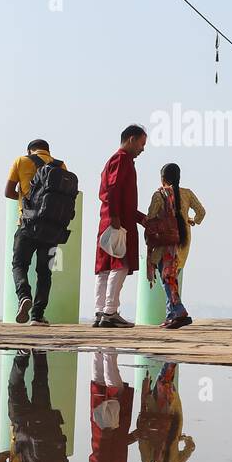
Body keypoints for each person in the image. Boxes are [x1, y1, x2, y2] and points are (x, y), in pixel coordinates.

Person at [4, 138, 66, 325]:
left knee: (19, 264)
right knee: (45, 272)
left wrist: (24, 198)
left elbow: (8, 192)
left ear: (30, 150)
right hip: (52, 228)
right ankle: (38, 315)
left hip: (28, 224)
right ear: (48, 151)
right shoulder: (60, 165)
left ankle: (24, 297)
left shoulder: (21, 161)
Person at [0, 351, 69, 462]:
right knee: (15, 386)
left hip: (44, 423)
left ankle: (40, 353)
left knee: (41, 382)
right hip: (21, 426)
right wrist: (13, 455)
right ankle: (22, 355)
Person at [94, 124, 148, 328]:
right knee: (120, 265)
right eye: (142, 143)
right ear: (132, 139)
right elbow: (113, 189)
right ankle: (110, 311)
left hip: (109, 221)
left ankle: (100, 311)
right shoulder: (122, 159)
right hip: (117, 223)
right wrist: (116, 216)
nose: (142, 149)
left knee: (105, 268)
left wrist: (141, 219)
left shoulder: (116, 160)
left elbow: (121, 197)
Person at [145, 163, 206, 330]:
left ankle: (179, 311)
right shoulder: (187, 193)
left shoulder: (160, 195)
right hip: (183, 242)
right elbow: (201, 211)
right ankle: (171, 315)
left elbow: (150, 217)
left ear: (162, 178)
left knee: (167, 278)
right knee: (172, 278)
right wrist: (193, 221)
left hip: (166, 242)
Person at [89, 349, 138, 462]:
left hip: (108, 429)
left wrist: (108, 435)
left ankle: (109, 351)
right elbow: (113, 455)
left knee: (114, 391)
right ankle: (99, 349)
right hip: (101, 430)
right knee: (99, 388)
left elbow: (102, 460)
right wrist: (133, 437)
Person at [136, 361, 195, 462]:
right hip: (155, 413)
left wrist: (183, 438)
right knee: (163, 380)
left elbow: (191, 447)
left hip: (173, 418)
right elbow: (142, 435)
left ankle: (172, 359)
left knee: (166, 382)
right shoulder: (147, 461)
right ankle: (171, 358)